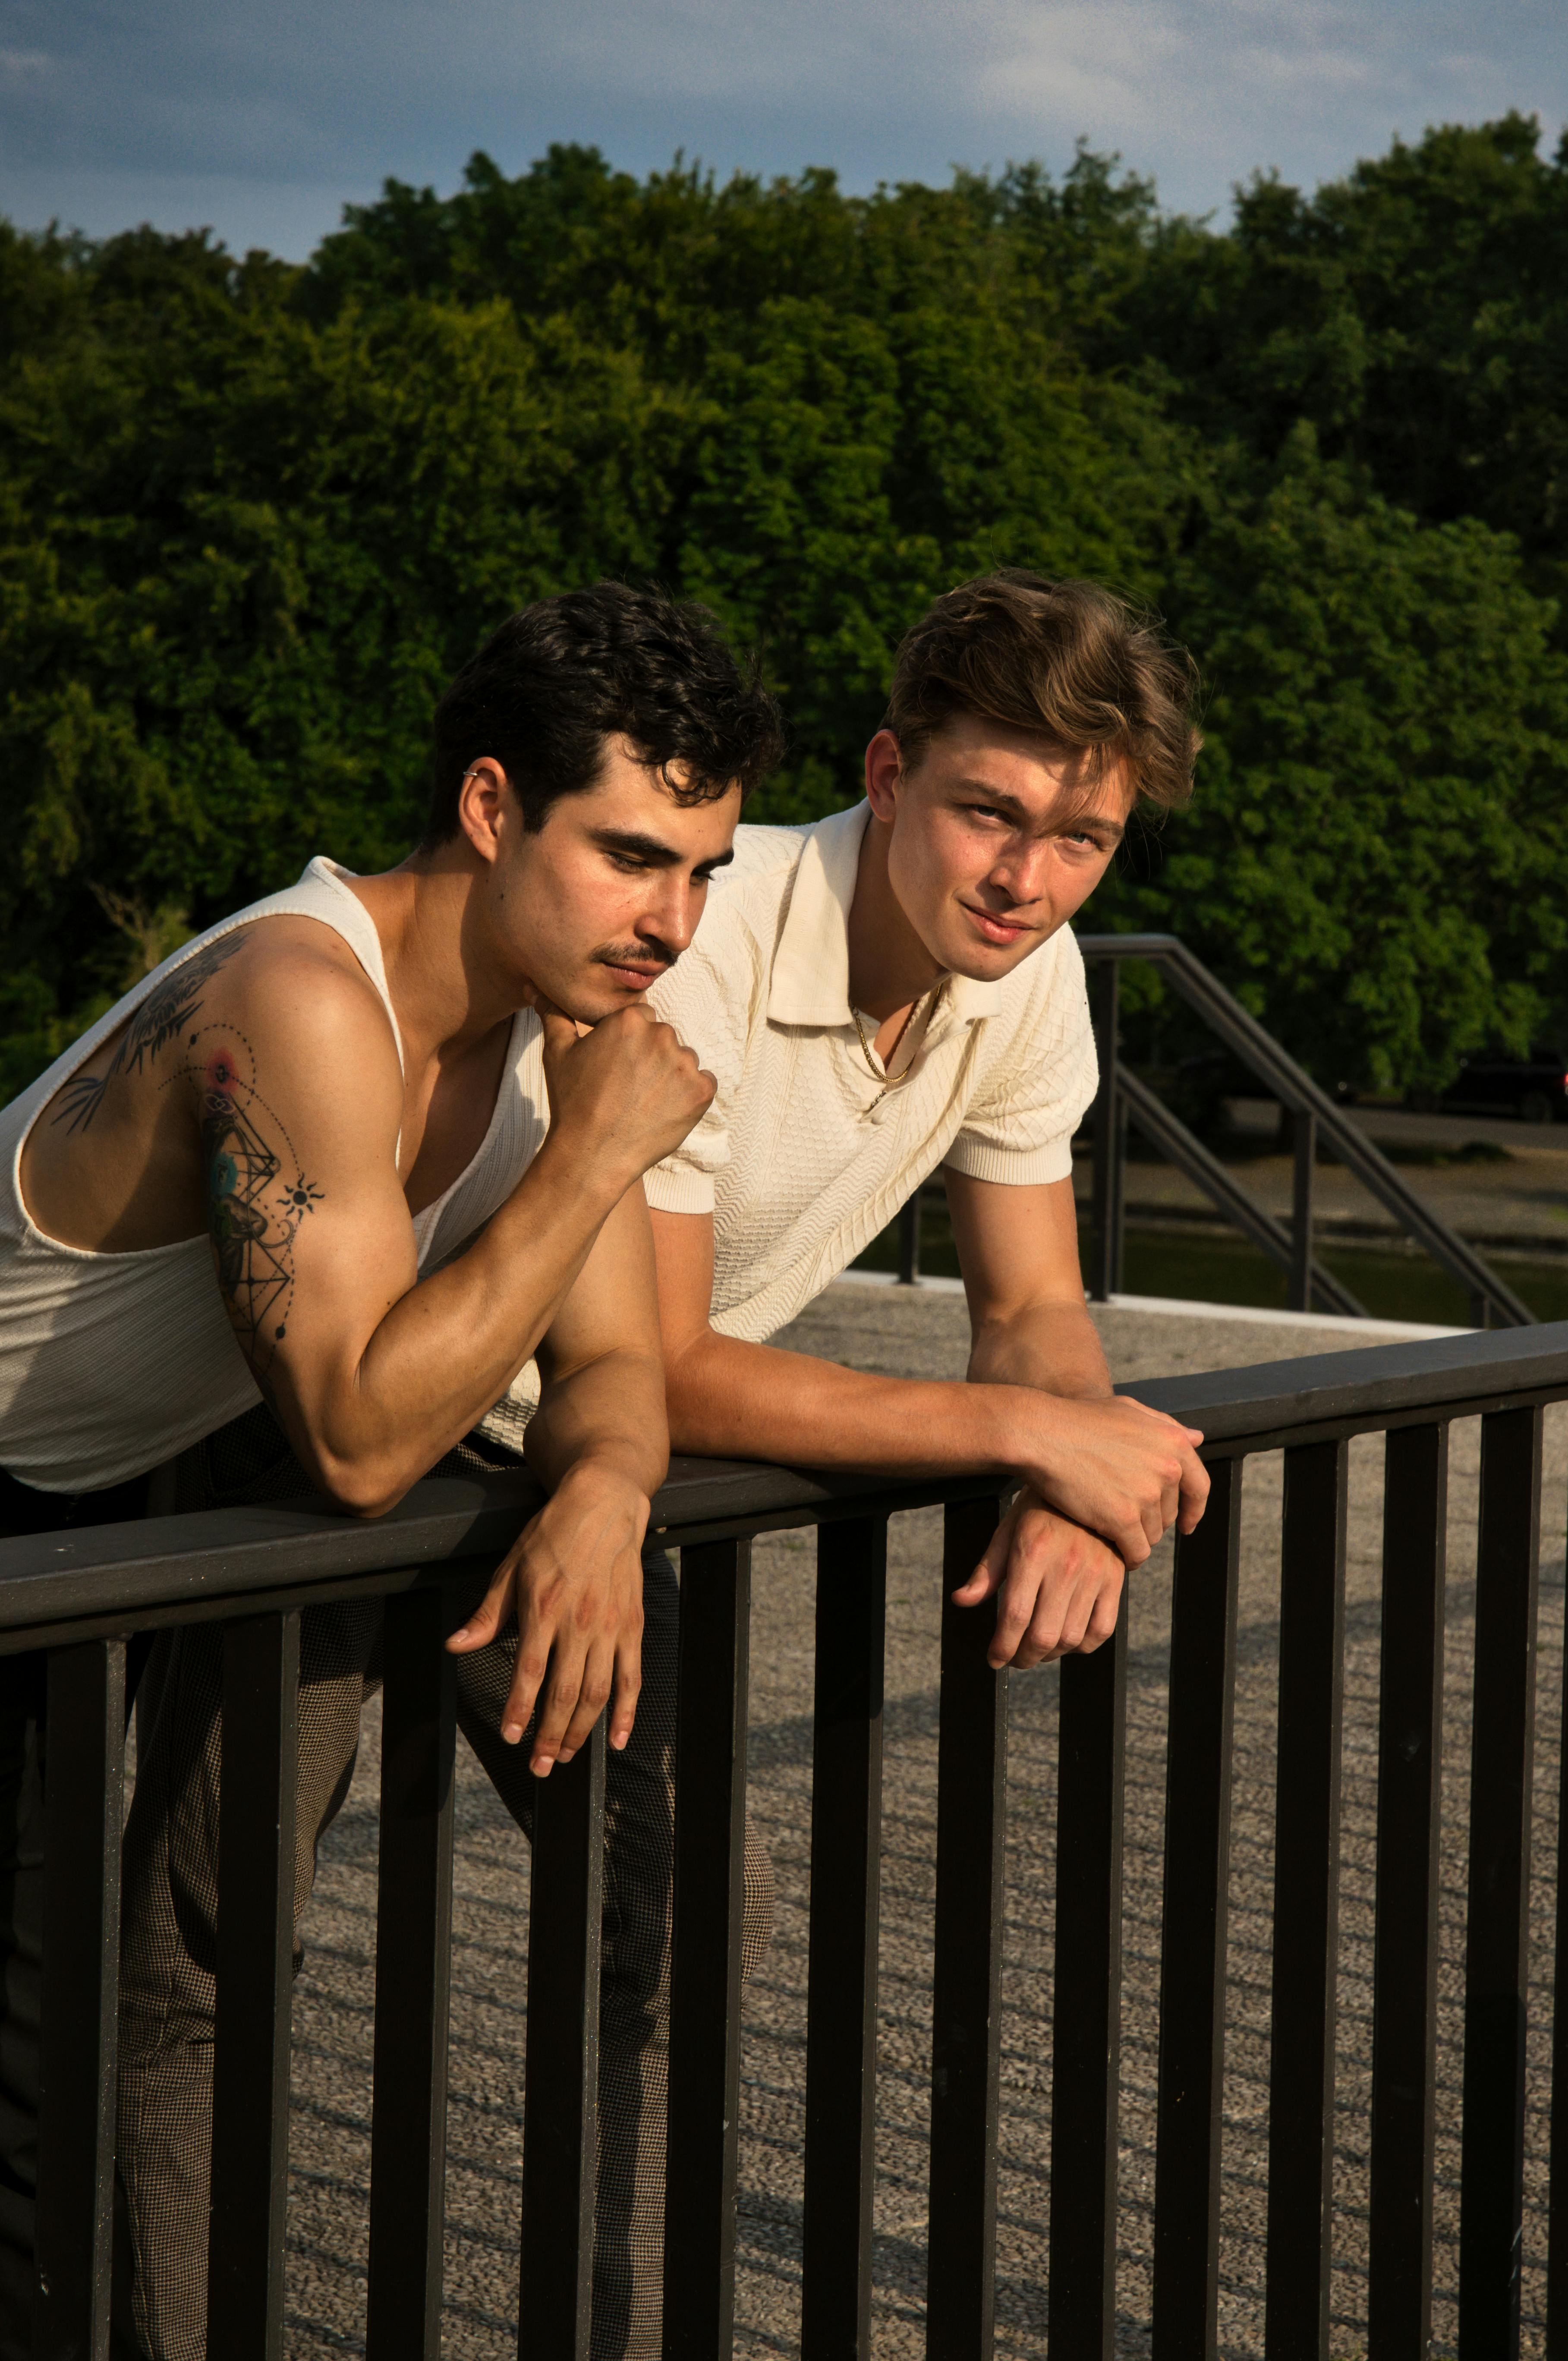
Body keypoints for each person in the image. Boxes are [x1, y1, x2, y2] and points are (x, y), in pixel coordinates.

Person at [0, 581, 781, 2360]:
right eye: (632, 857)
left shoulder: (555, 1025)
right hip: (24, 1502)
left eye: (705, 874)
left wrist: (604, 1494)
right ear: (493, 806)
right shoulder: (299, 998)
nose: (672, 924)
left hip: (121, 1494)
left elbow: (612, 1366)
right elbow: (359, 1441)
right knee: (29, 2082)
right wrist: (588, 1161)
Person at [475, 570, 1212, 2355]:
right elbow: (664, 1356)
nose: (1027, 878)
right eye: (988, 812)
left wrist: (1068, 1471)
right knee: (187, 1942)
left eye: (1081, 840)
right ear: (887, 775)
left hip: (583, 1472)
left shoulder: (1026, 985)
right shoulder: (709, 935)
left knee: (680, 1912)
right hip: (362, 1430)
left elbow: (1029, 1307)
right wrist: (1029, 1431)